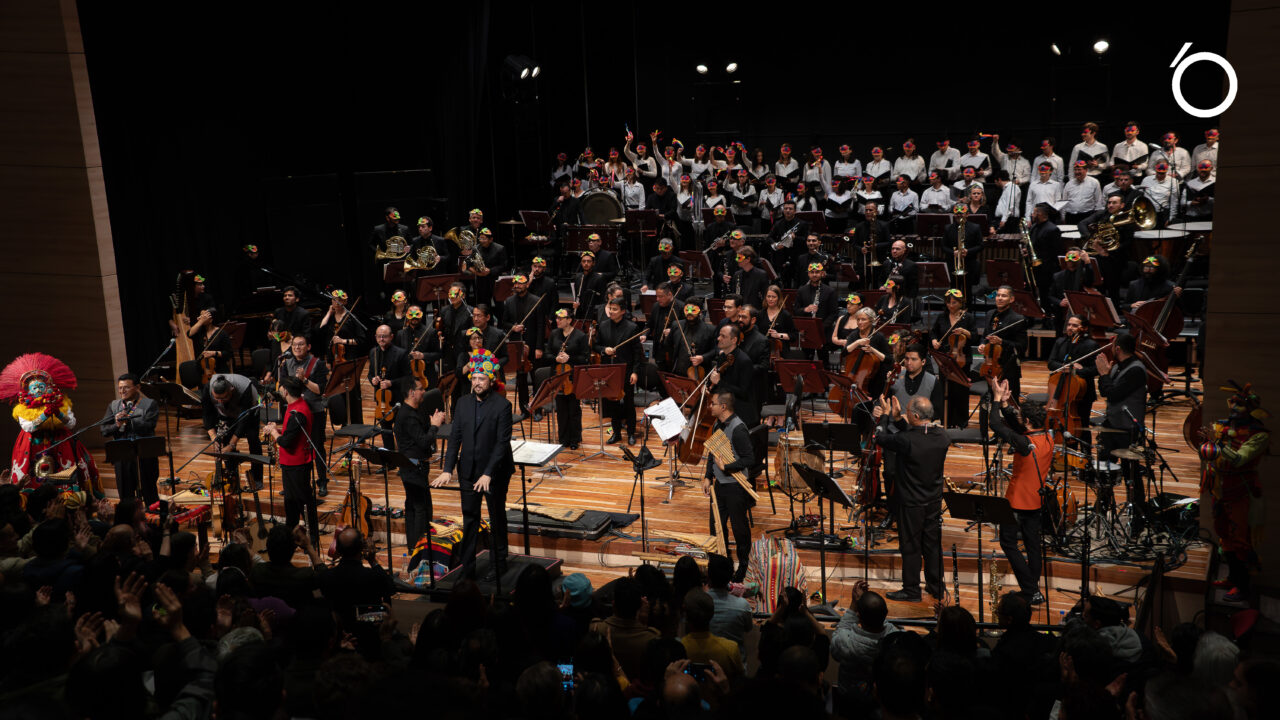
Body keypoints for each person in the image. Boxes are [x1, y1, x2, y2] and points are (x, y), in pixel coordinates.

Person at [433, 349, 514, 581]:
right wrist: (448, 469)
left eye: (482, 379)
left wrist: (488, 473)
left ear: (491, 381)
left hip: (495, 472)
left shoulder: (502, 406)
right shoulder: (462, 403)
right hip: (468, 471)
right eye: (475, 378)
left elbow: (501, 444)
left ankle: (499, 565)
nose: (478, 382)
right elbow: (455, 438)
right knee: (470, 518)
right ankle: (467, 567)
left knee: (497, 517)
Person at [872, 395, 950, 602]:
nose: (905, 414)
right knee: (932, 546)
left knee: (911, 546)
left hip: (911, 503)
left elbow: (880, 438)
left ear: (915, 415)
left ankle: (912, 590)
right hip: (933, 501)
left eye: (907, 412)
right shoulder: (943, 436)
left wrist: (887, 416)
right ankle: (936, 587)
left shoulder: (905, 441)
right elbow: (915, 436)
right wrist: (899, 420)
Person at [1199, 381, 1271, 602]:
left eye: (1239, 406)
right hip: (1221, 488)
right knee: (1224, 535)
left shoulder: (1259, 435)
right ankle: (1232, 577)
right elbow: (1212, 452)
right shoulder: (1224, 427)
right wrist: (1208, 445)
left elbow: (1239, 459)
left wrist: (1217, 443)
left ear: (1251, 410)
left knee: (1240, 539)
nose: (1233, 409)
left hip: (1242, 491)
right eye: (1233, 404)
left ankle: (1244, 587)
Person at [988, 378, 1053, 604]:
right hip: (1036, 501)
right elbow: (1018, 428)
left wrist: (996, 401)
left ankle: (1030, 588)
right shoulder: (1047, 437)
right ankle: (1031, 589)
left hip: (1016, 502)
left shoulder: (1024, 444)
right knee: (1033, 545)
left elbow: (996, 425)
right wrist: (1007, 406)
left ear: (1026, 421)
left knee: (1008, 543)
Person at [1094, 333, 1149, 531]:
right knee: (1104, 471)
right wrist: (1107, 376)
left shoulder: (1136, 370)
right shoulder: (1117, 366)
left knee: (1131, 476)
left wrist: (1104, 375)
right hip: (1112, 427)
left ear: (1118, 348)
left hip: (1128, 431)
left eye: (1112, 345)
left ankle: (1138, 519)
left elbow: (1113, 394)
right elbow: (1107, 391)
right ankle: (1099, 511)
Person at [703, 393, 755, 582]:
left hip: (735, 487)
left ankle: (743, 565)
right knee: (716, 526)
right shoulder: (718, 424)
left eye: (713, 404)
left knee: (739, 528)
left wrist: (727, 467)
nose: (711, 406)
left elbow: (749, 459)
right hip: (719, 486)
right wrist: (708, 476)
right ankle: (722, 563)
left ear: (723, 407)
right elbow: (713, 452)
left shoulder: (738, 428)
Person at [262, 377, 319, 547]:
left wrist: (273, 432)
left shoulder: (298, 412)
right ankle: (291, 539)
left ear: (286, 391)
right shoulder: (295, 406)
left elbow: (286, 442)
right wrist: (278, 429)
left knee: (301, 503)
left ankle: (311, 538)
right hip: (292, 463)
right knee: (292, 504)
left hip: (297, 464)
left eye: (281, 389)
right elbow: (290, 433)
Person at [393, 377, 445, 548]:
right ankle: (419, 548)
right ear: (411, 392)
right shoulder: (407, 415)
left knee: (413, 507)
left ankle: (414, 546)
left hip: (414, 466)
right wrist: (435, 426)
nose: (424, 391)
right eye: (421, 389)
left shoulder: (415, 410)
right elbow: (423, 441)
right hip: (413, 467)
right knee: (421, 509)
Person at [278, 334, 331, 496]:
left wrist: (305, 380)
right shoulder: (286, 364)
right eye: (294, 345)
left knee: (317, 446)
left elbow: (320, 390)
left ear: (308, 347)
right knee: (295, 446)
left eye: (301, 345)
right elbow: (281, 387)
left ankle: (322, 481)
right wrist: (288, 395)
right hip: (294, 412)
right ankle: (297, 482)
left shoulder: (318, 364)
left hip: (314, 411)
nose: (297, 348)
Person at [100, 373, 160, 504]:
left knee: (150, 493)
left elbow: (149, 425)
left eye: (126, 387)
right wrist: (117, 425)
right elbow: (104, 430)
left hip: (145, 455)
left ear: (137, 387)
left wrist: (128, 420)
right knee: (125, 495)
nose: (122, 391)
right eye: (120, 388)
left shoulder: (150, 404)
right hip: (122, 456)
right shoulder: (114, 406)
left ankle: (153, 520)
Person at [202, 373, 264, 492]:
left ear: (231, 390)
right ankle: (232, 478)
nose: (219, 401)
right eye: (217, 399)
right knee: (224, 441)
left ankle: (257, 479)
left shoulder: (244, 389)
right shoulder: (208, 388)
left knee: (253, 439)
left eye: (223, 398)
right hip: (226, 413)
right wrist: (214, 438)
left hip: (249, 412)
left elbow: (243, 421)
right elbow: (206, 413)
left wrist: (232, 444)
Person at [1045, 314, 1100, 442]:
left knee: (1082, 425)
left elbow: (1095, 369)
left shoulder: (1091, 345)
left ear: (1084, 328)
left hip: (1081, 392)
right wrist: (1066, 367)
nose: (1070, 328)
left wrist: (1079, 370)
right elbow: (1051, 363)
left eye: (1075, 325)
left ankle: (1086, 457)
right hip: (1062, 389)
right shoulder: (1061, 341)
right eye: (1069, 325)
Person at [595, 299, 640, 445]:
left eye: (615, 309)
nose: (611, 311)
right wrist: (604, 350)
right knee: (612, 403)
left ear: (622, 311)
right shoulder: (602, 325)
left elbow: (637, 354)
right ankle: (616, 433)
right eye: (610, 308)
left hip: (626, 371)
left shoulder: (631, 328)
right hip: (609, 371)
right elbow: (596, 346)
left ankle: (631, 433)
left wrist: (635, 372)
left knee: (628, 403)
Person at [929, 289, 975, 428]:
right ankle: (946, 420)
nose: (950, 305)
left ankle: (961, 421)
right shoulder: (942, 317)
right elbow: (933, 332)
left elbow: (975, 336)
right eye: (948, 302)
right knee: (945, 389)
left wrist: (965, 332)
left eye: (954, 302)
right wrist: (934, 341)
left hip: (962, 358)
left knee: (960, 390)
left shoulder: (968, 318)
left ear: (961, 302)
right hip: (945, 358)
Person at [546, 309, 588, 449]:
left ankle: (575, 439)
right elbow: (547, 354)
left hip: (573, 377)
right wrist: (556, 358)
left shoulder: (580, 336)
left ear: (569, 320)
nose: (557, 320)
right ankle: (563, 439)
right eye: (557, 318)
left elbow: (585, 358)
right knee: (561, 409)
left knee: (574, 409)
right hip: (558, 376)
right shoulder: (554, 334)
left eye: (561, 318)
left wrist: (571, 359)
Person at [978, 286, 1029, 399]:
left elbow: (1022, 347)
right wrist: (982, 344)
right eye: (998, 295)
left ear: (1011, 299)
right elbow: (985, 336)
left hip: (1008, 368)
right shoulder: (990, 314)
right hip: (990, 365)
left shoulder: (1017, 319)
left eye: (1004, 296)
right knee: (992, 400)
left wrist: (1002, 342)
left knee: (1009, 404)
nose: (1000, 298)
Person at [368, 324, 410, 449]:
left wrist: (391, 383)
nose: (381, 339)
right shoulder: (373, 352)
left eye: (384, 336)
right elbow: (370, 373)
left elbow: (409, 377)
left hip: (398, 398)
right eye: (379, 336)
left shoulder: (401, 354)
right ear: (375, 337)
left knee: (400, 430)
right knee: (385, 430)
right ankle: (389, 460)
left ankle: (404, 457)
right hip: (381, 399)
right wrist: (373, 380)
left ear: (391, 337)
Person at [1062, 160, 1104, 225]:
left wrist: (1097, 218)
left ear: (1086, 170)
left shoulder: (1094, 182)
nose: (1077, 172)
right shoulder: (1069, 184)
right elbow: (1064, 202)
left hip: (1087, 216)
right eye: (1075, 170)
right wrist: (1063, 217)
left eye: (1079, 170)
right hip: (1071, 217)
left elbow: (1098, 202)